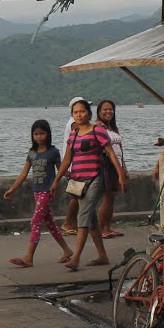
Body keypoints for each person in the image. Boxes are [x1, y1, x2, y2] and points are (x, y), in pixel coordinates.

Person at [50, 98, 126, 272]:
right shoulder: (73, 135)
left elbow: (111, 153)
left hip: (95, 179)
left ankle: (75, 258)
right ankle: (102, 256)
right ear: (72, 115)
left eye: (82, 111)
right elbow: (67, 159)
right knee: (91, 219)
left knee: (83, 216)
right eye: (76, 112)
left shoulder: (97, 131)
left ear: (89, 113)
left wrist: (120, 174)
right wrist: (56, 180)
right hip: (77, 181)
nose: (79, 115)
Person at [2, 119, 70, 268]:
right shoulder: (32, 153)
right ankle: (67, 250)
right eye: (36, 134)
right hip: (36, 192)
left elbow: (61, 169)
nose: (39, 137)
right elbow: (24, 173)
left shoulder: (53, 152)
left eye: (42, 133)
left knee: (36, 221)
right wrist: (12, 189)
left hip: (48, 192)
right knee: (50, 223)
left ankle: (29, 257)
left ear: (48, 134)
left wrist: (71, 175)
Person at [95, 99, 126, 239]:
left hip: (117, 165)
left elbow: (120, 149)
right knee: (107, 198)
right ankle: (101, 229)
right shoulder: (98, 127)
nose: (108, 112)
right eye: (105, 109)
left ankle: (108, 227)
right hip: (106, 164)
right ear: (99, 112)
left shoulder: (114, 129)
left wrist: (124, 168)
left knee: (112, 198)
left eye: (111, 109)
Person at [62, 96, 91, 235]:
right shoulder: (74, 123)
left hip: (74, 164)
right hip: (74, 164)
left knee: (78, 194)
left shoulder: (71, 121)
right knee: (76, 194)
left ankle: (72, 222)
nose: (81, 114)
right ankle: (68, 222)